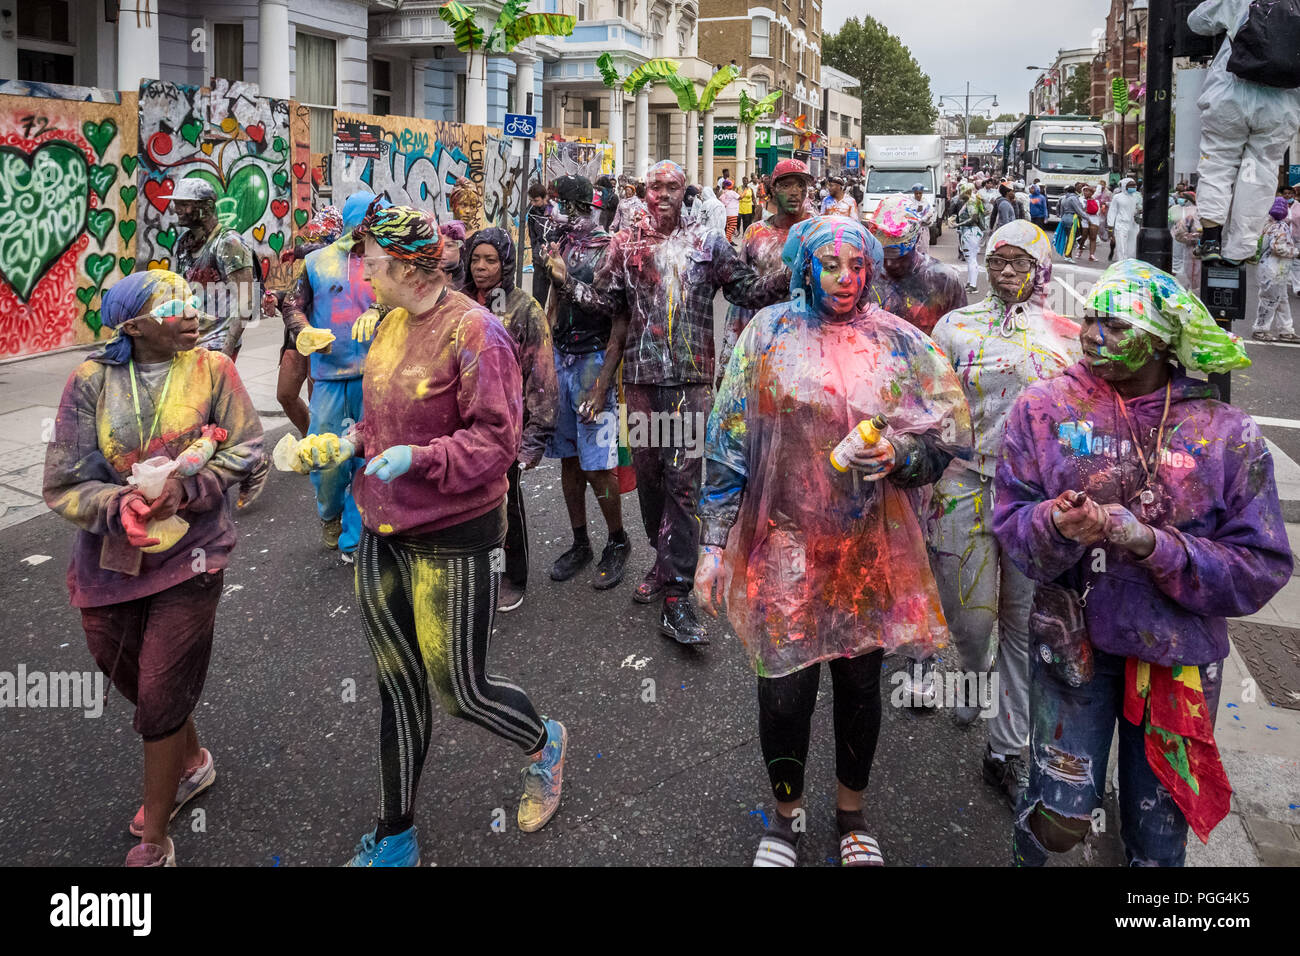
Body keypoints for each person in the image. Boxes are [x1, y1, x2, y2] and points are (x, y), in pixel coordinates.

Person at [288, 205, 569, 865]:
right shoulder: (386, 325)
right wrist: (342, 442)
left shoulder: (477, 333)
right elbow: (381, 422)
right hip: (383, 530)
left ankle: (545, 740)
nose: (363, 276)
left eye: (374, 265)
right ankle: (396, 835)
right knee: (397, 685)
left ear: (411, 267)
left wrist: (421, 461)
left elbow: (496, 443)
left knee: (459, 690)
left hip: (454, 538)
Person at [995, 259, 1292, 866]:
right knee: (1057, 816)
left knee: (1157, 834)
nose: (1096, 336)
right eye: (1091, 320)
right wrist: (1054, 523)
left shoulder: (1223, 432)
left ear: (1162, 339)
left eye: (1117, 325)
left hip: (1175, 657)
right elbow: (1010, 524)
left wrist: (1153, 544)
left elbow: (1261, 565)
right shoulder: (1044, 410)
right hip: (1071, 645)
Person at [696, 215, 972, 866]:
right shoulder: (769, 335)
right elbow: (728, 441)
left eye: (855, 266)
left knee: (858, 688)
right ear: (805, 269)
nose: (844, 278)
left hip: (869, 550)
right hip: (784, 547)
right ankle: (784, 818)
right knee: (783, 691)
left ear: (869, 269)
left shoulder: (898, 343)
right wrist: (712, 544)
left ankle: (853, 815)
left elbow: (944, 435)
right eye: (829, 265)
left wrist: (902, 455)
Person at [43, 270, 263, 866]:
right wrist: (118, 504)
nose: (193, 312)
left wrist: (189, 490)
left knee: (162, 688)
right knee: (128, 673)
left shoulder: (214, 371)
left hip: (194, 557)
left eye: (194, 301)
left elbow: (246, 447)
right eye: (176, 306)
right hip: (109, 562)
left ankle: (155, 840)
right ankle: (190, 762)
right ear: (134, 325)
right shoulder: (91, 382)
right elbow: (62, 483)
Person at [549, 159, 790, 645]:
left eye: (671, 186)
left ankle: (678, 593)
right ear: (643, 191)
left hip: (689, 384)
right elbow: (605, 304)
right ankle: (664, 562)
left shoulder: (707, 242)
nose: (661, 194)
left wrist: (791, 273)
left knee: (683, 483)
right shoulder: (626, 242)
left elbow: (746, 289)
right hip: (640, 382)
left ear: (685, 192)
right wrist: (564, 281)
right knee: (651, 478)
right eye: (653, 186)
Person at [927, 222, 1082, 808]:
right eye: (999, 261)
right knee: (969, 618)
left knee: (1021, 623)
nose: (1009, 272)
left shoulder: (1067, 337)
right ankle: (971, 673)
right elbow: (927, 400)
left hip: (1035, 500)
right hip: (962, 481)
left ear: (1042, 268)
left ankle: (1005, 748)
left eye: (1022, 262)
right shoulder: (955, 327)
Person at [461, 227, 559, 611]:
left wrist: (535, 436)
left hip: (506, 429)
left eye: (491, 260)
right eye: (476, 259)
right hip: (465, 426)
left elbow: (542, 375)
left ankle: (509, 575)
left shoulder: (523, 309)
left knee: (505, 507)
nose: (482, 268)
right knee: (469, 507)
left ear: (506, 264)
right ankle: (479, 570)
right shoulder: (459, 302)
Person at [281, 191, 383, 561]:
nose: (366, 233)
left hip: (376, 378)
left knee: (367, 457)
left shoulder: (385, 260)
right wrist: (301, 331)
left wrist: (379, 310)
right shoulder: (318, 262)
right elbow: (293, 304)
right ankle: (330, 512)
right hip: (328, 378)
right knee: (324, 459)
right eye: (363, 224)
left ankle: (356, 536)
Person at [543, 175, 632, 590]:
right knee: (568, 459)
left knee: (599, 465)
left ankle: (618, 539)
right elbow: (552, 303)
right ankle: (580, 541)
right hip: (560, 360)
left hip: (593, 361)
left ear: (580, 206)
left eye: (559, 204)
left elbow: (613, 312)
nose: (553, 212)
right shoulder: (562, 243)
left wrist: (602, 386)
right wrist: (543, 352)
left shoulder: (609, 248)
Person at [167, 178, 266, 509]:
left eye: (183, 204)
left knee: (205, 406)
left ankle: (249, 463)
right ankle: (229, 466)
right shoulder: (183, 244)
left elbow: (246, 301)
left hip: (219, 337)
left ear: (204, 207)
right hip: (191, 336)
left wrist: (227, 347)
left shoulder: (228, 244)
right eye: (177, 203)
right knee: (208, 407)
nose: (176, 209)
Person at [1190, 0, 1300, 265]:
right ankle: (1240, 249)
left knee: (1218, 163)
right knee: (1258, 172)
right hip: (1280, 108)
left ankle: (1212, 239)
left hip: (1231, 97)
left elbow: (1197, 22)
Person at [719, 158, 816, 379]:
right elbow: (740, 296)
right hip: (762, 341)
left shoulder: (819, 232)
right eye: (786, 185)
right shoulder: (756, 233)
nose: (795, 192)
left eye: (801, 185)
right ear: (773, 189)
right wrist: (728, 358)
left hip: (808, 343)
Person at [264, 205, 342, 437]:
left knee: (317, 399)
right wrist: (275, 297)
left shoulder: (338, 258)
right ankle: (310, 437)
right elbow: (296, 294)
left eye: (322, 235)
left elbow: (324, 248)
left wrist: (298, 251)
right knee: (285, 394)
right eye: (314, 233)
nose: (316, 241)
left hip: (321, 333)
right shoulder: (310, 263)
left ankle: (323, 446)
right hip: (296, 333)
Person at [865, 194, 968, 336]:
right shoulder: (866, 277)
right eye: (883, 255)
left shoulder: (943, 280)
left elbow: (958, 336)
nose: (889, 263)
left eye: (899, 258)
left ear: (918, 238)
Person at [1253, 197, 1300, 342]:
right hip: (1275, 270)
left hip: (1270, 269)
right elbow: (1278, 247)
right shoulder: (1281, 227)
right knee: (1270, 300)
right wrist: (1296, 253)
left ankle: (1286, 330)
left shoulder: (1267, 225)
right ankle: (1260, 329)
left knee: (1281, 300)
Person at [525, 181, 553, 309]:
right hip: (539, 260)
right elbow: (533, 237)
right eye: (531, 200)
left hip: (554, 258)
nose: (533, 203)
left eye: (536, 200)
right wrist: (536, 254)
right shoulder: (532, 213)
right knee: (537, 299)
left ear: (544, 198)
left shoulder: (554, 211)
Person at [955, 183, 987, 293]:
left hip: (971, 233)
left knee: (971, 259)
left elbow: (974, 218)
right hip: (970, 233)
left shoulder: (971, 201)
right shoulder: (971, 201)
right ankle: (970, 283)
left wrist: (958, 225)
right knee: (970, 259)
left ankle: (973, 285)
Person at [1171, 189, 1204, 291]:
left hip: (1193, 249)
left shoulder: (1191, 214)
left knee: (1193, 272)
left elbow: (1179, 233)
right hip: (1195, 248)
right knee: (1193, 273)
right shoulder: (1196, 213)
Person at [1107, 178, 1141, 261]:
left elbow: (1138, 208)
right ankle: (1122, 264)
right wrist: (1110, 227)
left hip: (1133, 225)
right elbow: (1112, 211)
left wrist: (1139, 212)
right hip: (1121, 224)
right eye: (1131, 185)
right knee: (1122, 247)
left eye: (1134, 185)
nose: (1133, 187)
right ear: (1124, 186)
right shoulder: (1117, 197)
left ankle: (1131, 264)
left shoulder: (1136, 197)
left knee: (1132, 247)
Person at [908, 182, 936, 255]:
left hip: (924, 231)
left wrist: (927, 219)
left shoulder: (926, 203)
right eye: (916, 193)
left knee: (924, 250)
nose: (918, 195)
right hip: (913, 231)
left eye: (920, 193)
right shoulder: (910, 203)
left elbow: (931, 215)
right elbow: (908, 216)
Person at [1079, 185, 1101, 262]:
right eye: (1084, 191)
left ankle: (1092, 255)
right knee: (1083, 236)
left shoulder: (1096, 201)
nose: (1086, 192)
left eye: (1088, 191)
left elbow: (1098, 212)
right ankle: (1080, 250)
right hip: (1084, 220)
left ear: (1092, 193)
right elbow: (1080, 210)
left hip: (1094, 220)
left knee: (1093, 237)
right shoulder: (1080, 200)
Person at [720, 178, 741, 243]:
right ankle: (726, 239)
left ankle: (729, 240)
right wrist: (744, 192)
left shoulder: (724, 192)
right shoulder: (732, 193)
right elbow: (740, 197)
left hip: (727, 212)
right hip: (733, 212)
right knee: (733, 226)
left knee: (729, 226)